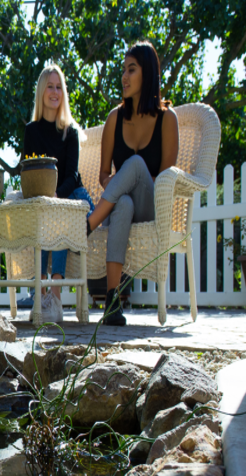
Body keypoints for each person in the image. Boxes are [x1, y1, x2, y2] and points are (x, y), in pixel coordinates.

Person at [87, 41, 179, 326]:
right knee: (122, 203)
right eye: (123, 70)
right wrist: (117, 182)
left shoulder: (167, 118)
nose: (124, 77)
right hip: (121, 206)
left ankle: (88, 224)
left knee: (136, 164)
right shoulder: (114, 118)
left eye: (132, 69)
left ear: (147, 72)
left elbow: (165, 177)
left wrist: (132, 174)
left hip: (152, 205)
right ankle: (113, 302)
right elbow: (103, 175)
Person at [21, 64, 93, 323]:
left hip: (73, 197)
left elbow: (73, 176)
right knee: (44, 215)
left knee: (59, 214)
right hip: (45, 201)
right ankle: (41, 297)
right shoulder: (31, 130)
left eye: (59, 86)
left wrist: (54, 197)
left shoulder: (70, 131)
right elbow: (28, 170)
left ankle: (56, 296)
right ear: (42, 91)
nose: (54, 91)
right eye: (50, 86)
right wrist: (44, 199)